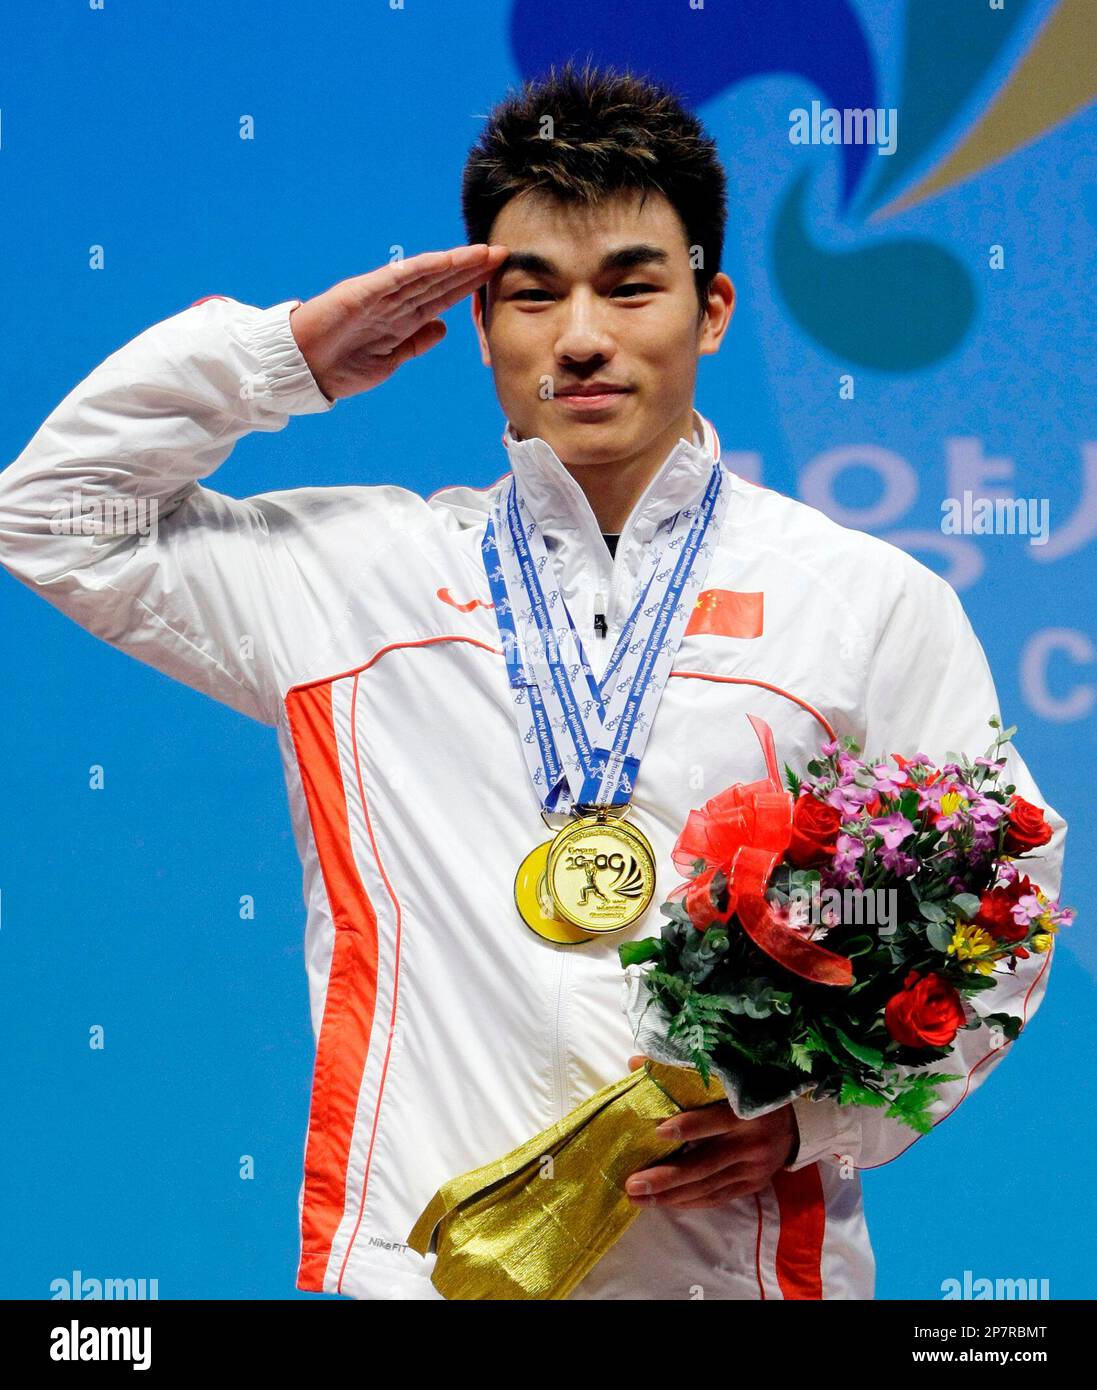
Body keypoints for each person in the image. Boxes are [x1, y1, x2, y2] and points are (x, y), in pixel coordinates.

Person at [0, 59, 1067, 1301]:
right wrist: (285, 358)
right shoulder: (350, 579)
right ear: (480, 320)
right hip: (425, 1274)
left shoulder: (864, 598)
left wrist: (816, 1124)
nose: (580, 338)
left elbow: (1003, 906)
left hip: (740, 1275)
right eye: (531, 293)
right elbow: (54, 516)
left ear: (710, 308)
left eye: (630, 286)